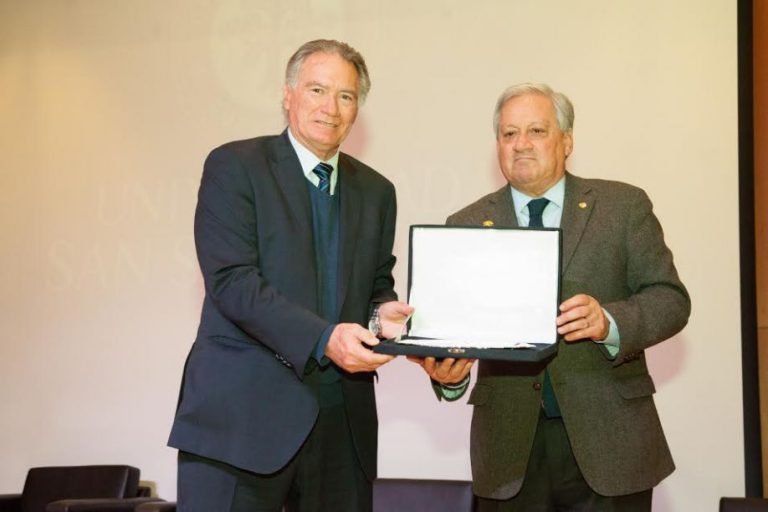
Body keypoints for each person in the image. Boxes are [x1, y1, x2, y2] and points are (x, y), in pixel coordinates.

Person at [409, 83, 690, 511]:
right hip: (508, 453)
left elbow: (670, 299)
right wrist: (450, 378)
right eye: (508, 134)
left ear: (567, 141)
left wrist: (609, 322)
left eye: (536, 131)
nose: (521, 144)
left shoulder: (622, 206)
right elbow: (456, 335)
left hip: (612, 445)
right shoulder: (466, 223)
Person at [168, 39, 412, 512]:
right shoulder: (235, 166)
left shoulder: (377, 191)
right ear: (288, 94)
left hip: (341, 428)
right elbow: (232, 282)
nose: (331, 107)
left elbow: (376, 285)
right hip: (241, 423)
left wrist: (386, 318)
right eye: (317, 89)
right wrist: (324, 338)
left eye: (345, 96)